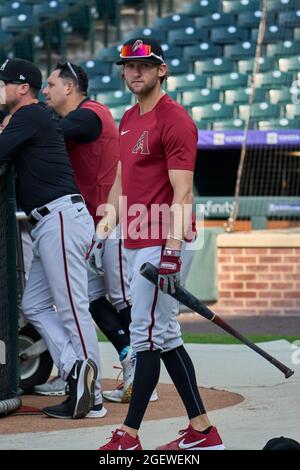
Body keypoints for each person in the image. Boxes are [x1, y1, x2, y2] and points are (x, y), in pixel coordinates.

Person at [86, 38, 225, 450]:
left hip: (161, 238)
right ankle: (202, 431)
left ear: (161, 69)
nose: (134, 73)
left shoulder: (175, 119)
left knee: (145, 336)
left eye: (144, 65)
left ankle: (128, 436)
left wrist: (170, 250)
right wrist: (104, 227)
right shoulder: (128, 116)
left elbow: (184, 194)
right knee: (164, 336)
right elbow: (120, 180)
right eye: (128, 66)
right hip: (133, 237)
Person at [0, 58, 104, 420]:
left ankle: (96, 396)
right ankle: (78, 370)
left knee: (74, 307)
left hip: (60, 217)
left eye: (5, 83)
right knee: (35, 304)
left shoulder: (29, 113)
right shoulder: (26, 117)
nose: (1, 89)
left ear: (22, 87)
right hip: (50, 221)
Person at [39, 62, 140, 403]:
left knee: (121, 296)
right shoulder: (73, 117)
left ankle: (142, 372)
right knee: (92, 297)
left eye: (51, 84)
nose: (45, 90)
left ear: (69, 88)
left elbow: (55, 130)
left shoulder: (92, 112)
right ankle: (127, 356)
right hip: (91, 226)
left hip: (113, 217)